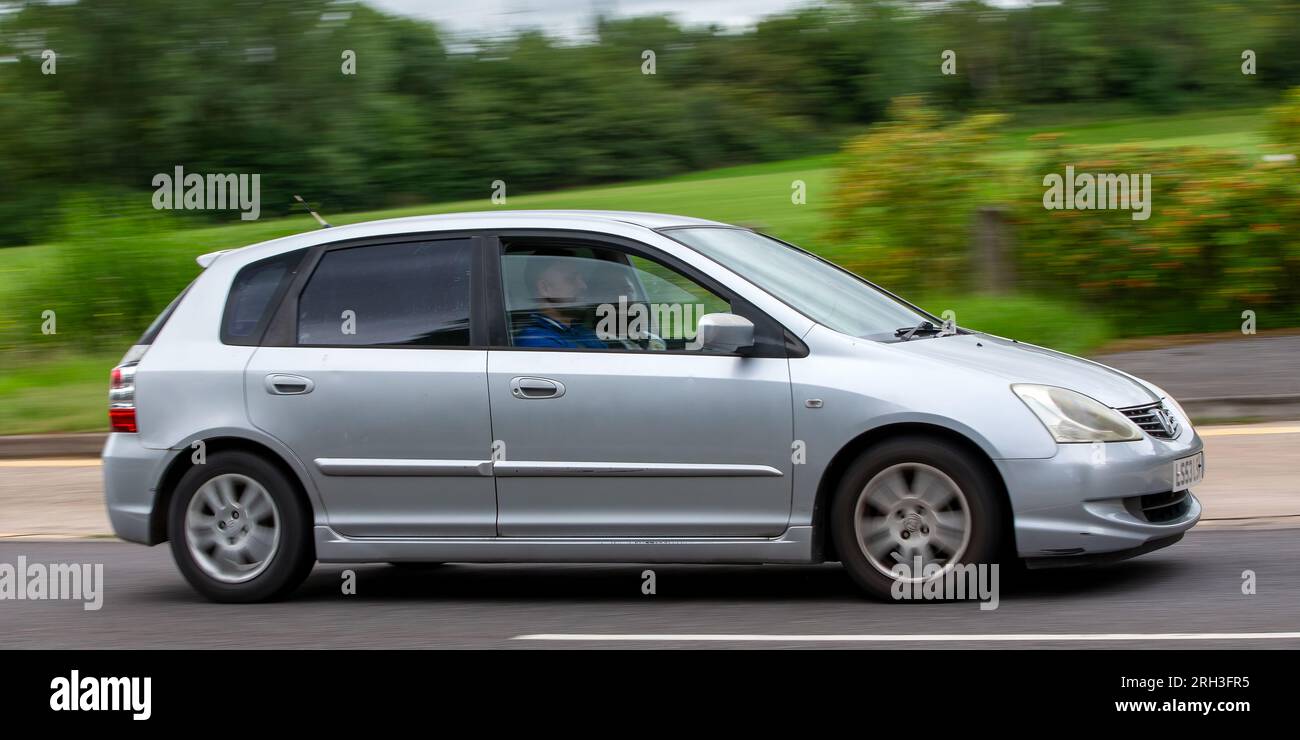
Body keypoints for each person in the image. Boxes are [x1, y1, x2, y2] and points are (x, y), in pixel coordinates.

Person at [514, 251, 607, 349]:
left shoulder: (579, 330)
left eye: (582, 279)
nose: (583, 286)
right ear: (545, 288)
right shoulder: (536, 340)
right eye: (571, 279)